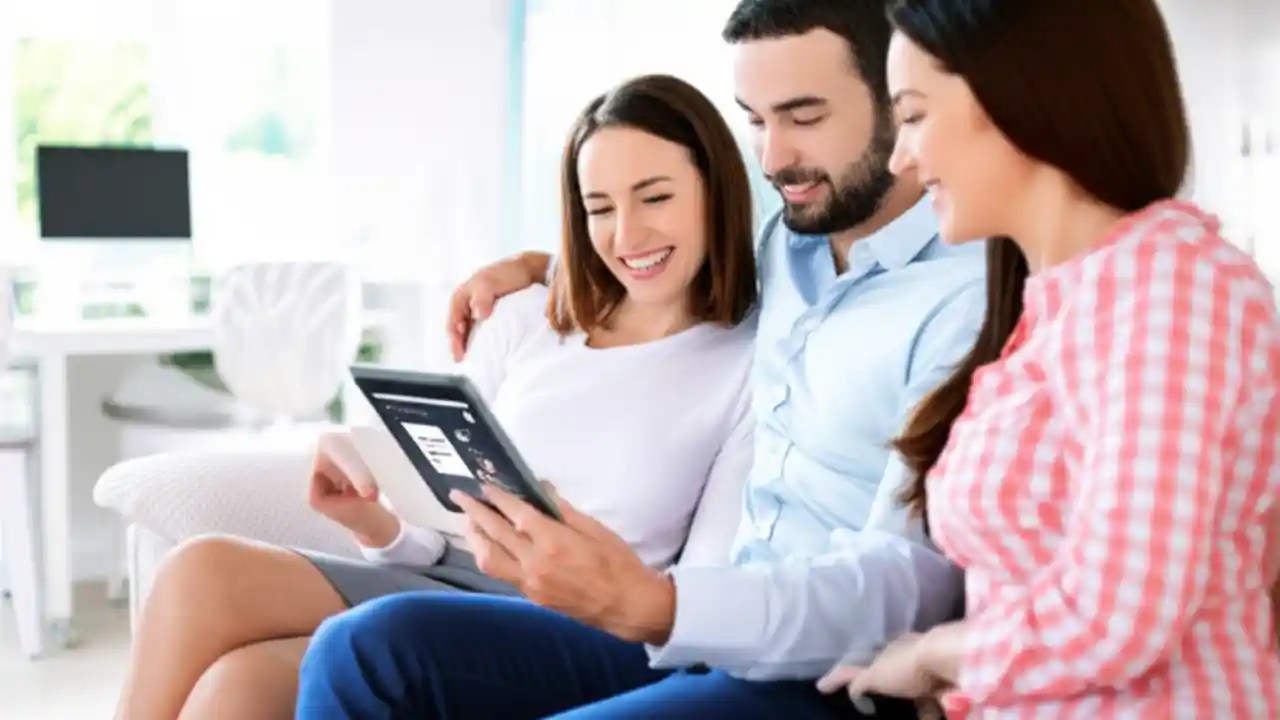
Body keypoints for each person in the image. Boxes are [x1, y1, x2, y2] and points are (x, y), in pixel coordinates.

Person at [295, 1, 985, 718]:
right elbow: (671, 248)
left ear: (899, 100)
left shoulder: (964, 300)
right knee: (365, 650)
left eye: (804, 118)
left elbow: (915, 579)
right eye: (755, 120)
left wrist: (656, 602)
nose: (774, 158)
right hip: (701, 635)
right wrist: (542, 267)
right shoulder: (798, 236)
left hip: (819, 674)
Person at [112, 73, 760, 720]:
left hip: (573, 616)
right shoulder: (533, 315)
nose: (626, 236)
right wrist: (374, 519)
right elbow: (431, 538)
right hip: (443, 578)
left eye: (655, 198)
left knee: (243, 682)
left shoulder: (750, 361)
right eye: (600, 208)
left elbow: (693, 602)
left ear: (715, 191)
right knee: (200, 576)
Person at [818, 1, 1280, 718]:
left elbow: (1117, 616)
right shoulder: (1055, 304)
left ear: (1017, 97)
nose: (900, 158)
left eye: (912, 115)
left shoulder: (1172, 287)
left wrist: (935, 654)